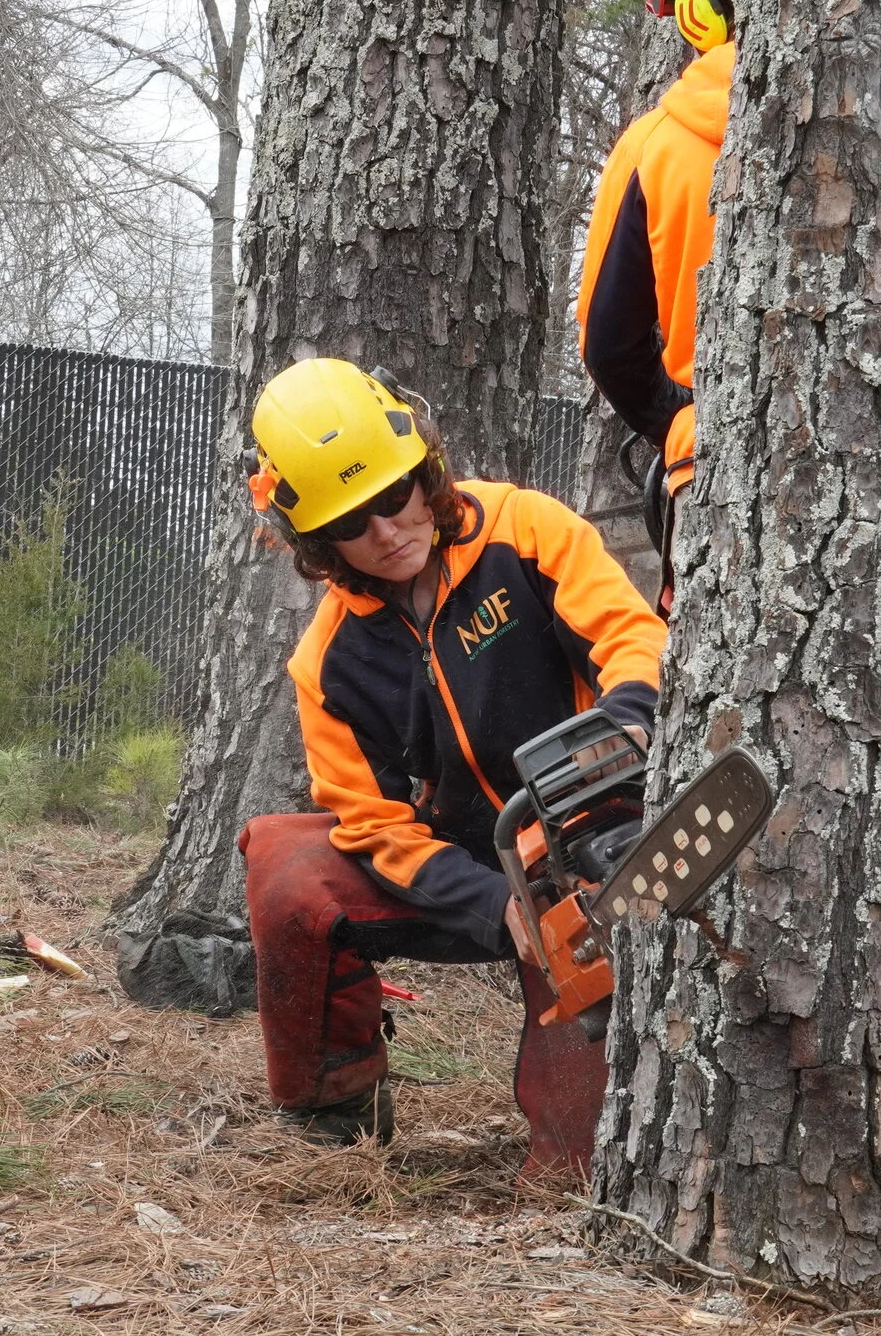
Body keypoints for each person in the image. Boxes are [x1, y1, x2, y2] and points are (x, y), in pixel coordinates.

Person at [234, 359, 667, 1179]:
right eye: (353, 521)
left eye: (394, 497)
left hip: (592, 837)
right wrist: (493, 902)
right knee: (289, 867)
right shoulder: (327, 662)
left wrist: (630, 718)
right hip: (467, 868)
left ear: (423, 471)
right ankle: (336, 1106)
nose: (387, 529)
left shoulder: (523, 530)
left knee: (582, 1160)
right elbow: (368, 819)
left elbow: (629, 632)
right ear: (319, 542)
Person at [574, 0, 753, 613]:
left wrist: (681, 414)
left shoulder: (655, 146)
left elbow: (607, 341)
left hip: (706, 465)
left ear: (696, 12)